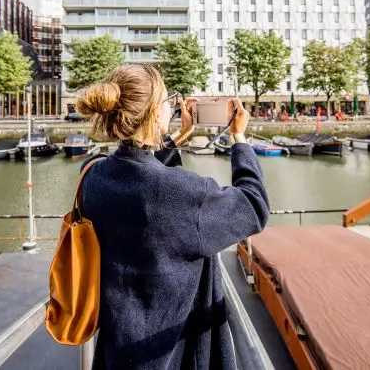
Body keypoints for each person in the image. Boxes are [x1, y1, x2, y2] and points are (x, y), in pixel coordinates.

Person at [75, 63, 269, 370]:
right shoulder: (186, 193)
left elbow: (138, 176)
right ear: (154, 113)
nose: (172, 107)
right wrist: (239, 139)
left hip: (116, 351)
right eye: (168, 101)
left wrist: (180, 136)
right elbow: (254, 206)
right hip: (173, 353)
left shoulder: (94, 177)